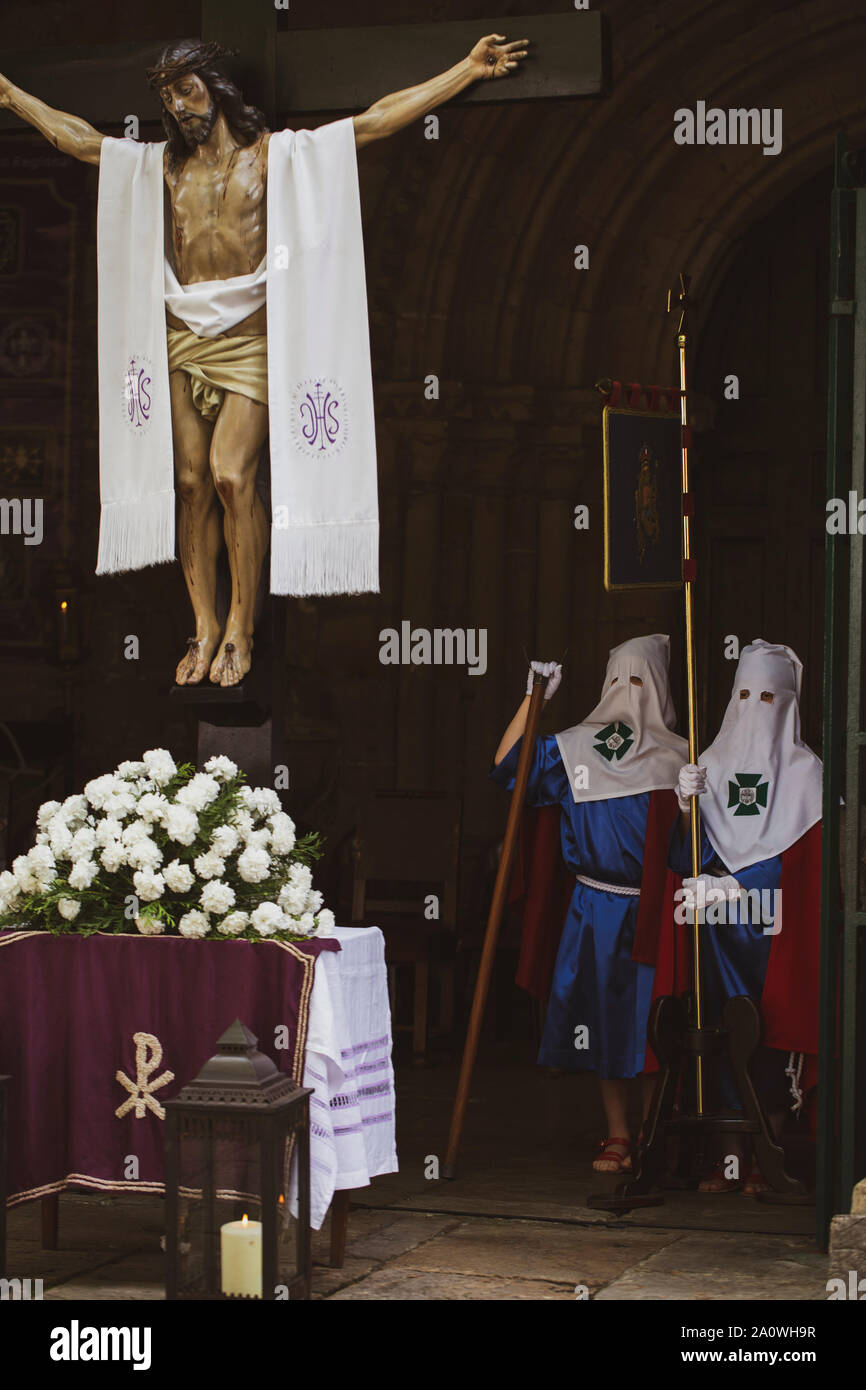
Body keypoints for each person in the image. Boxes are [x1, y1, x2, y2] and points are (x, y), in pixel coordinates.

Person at [0, 34, 529, 686]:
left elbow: (373, 122)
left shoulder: (274, 157)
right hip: (183, 338)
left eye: (187, 87)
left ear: (217, 86)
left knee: (229, 476)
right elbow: (78, 142)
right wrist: (8, 95)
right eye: (167, 95)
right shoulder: (164, 169)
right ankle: (204, 623)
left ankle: (242, 626)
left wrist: (464, 72)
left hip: (252, 341)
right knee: (190, 485)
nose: (178, 105)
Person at [491, 635, 687, 1173]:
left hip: (655, 909)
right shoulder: (573, 748)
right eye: (619, 680)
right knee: (604, 1021)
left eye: (640, 681)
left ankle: (654, 1132)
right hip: (595, 908)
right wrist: (535, 699)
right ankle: (618, 1133)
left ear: (661, 686)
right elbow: (509, 766)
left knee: (652, 1020)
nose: (628, 693)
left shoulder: (680, 758)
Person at [668, 639, 823, 1193]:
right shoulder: (707, 765)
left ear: (788, 704)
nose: (755, 707)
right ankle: (729, 1158)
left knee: (771, 1037)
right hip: (717, 935)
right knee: (719, 1031)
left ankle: (766, 1158)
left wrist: (732, 884)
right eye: (745, 695)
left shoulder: (809, 777)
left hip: (774, 933)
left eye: (768, 697)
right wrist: (684, 809)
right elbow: (679, 862)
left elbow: (806, 869)